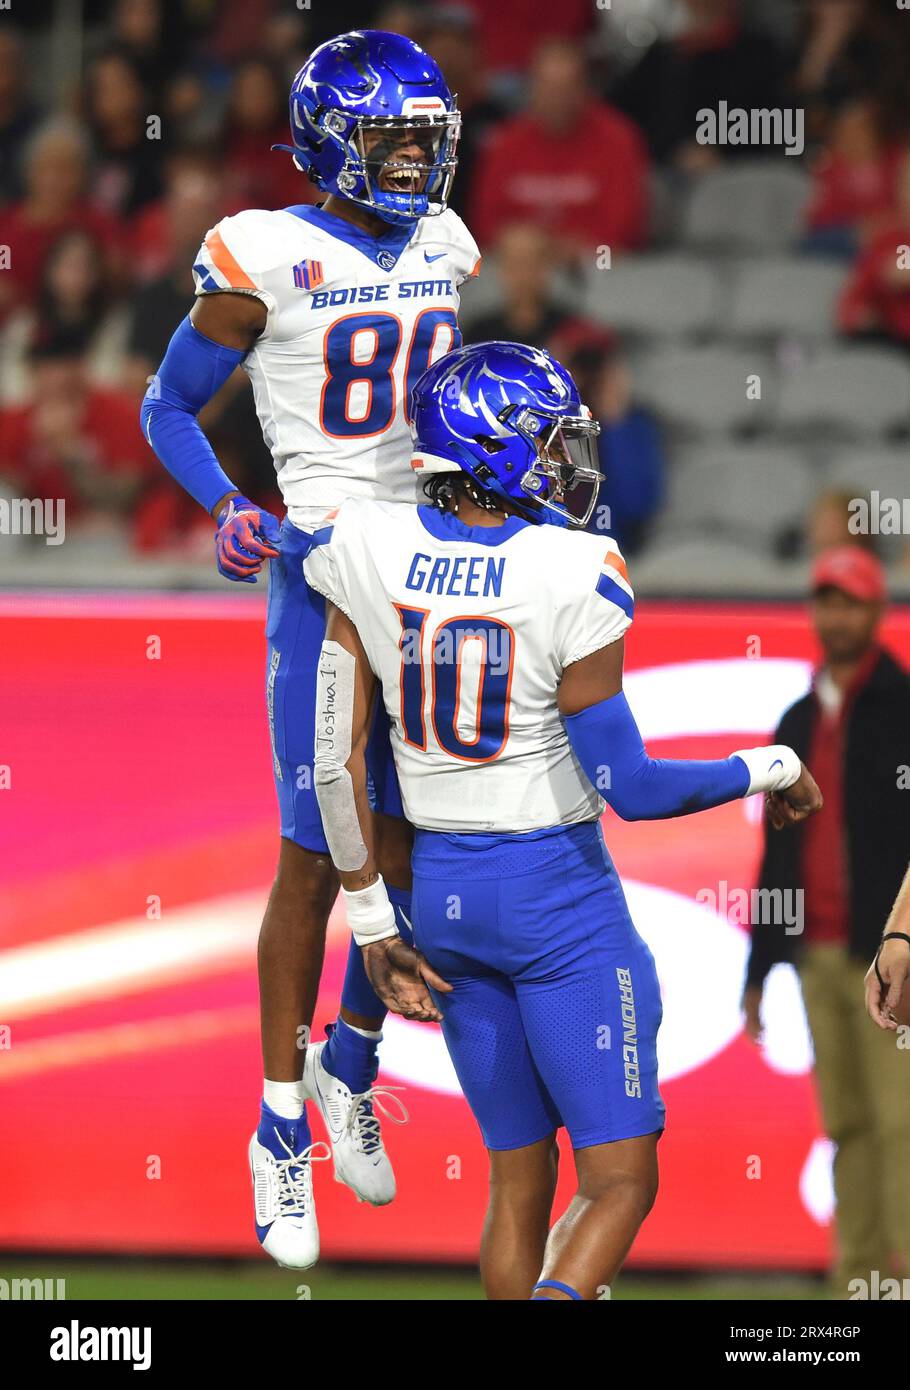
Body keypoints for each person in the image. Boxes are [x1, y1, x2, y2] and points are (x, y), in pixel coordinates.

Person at [303, 339, 822, 1300]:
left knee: (517, 1182)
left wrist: (374, 918)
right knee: (621, 1182)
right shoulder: (573, 568)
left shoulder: (367, 546)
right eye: (545, 443)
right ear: (490, 449)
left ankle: (347, 1061)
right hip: (556, 899)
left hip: (446, 899)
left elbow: (334, 763)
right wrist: (772, 763)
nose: (565, 463)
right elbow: (634, 787)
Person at [140, 30, 478, 1270]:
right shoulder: (260, 253)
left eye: (427, 138)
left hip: (437, 572)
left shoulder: (445, 242)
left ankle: (350, 1064)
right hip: (326, 576)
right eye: (394, 136)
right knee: (309, 858)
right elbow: (164, 404)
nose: (417, 158)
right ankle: (278, 1127)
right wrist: (229, 504)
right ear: (337, 137)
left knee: (409, 841)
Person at [742, 545, 910, 1297]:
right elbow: (776, 854)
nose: (833, 615)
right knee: (847, 1123)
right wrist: (758, 967)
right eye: (824, 600)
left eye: (847, 600)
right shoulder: (798, 718)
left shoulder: (903, 709)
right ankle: (861, 1280)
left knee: (901, 1122)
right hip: (820, 949)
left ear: (876, 611)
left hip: (892, 950)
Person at [470, 38, 649, 265]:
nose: (557, 100)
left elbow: (626, 230)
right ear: (531, 89)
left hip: (598, 271)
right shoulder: (505, 143)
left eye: (566, 89)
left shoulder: (619, 139)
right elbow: (485, 225)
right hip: (518, 272)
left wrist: (560, 248)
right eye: (548, 88)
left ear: (585, 88)